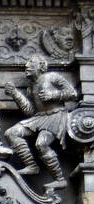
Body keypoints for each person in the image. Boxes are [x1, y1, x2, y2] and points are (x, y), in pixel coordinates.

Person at [6, 55, 78, 189]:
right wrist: (15, 94)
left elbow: (72, 93)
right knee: (11, 133)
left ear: (41, 66)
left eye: (31, 63)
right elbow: (30, 111)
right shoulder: (31, 87)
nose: (27, 66)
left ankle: (59, 179)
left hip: (56, 116)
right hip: (40, 117)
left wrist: (53, 95)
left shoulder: (52, 77)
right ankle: (31, 165)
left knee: (41, 143)